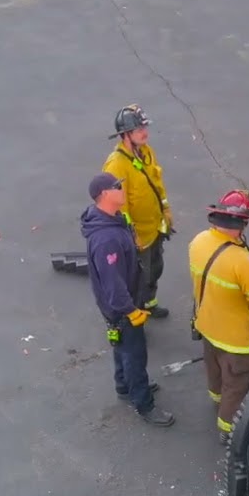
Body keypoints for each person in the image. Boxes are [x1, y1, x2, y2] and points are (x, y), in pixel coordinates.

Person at [80, 173, 174, 427]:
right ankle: (143, 403)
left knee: (121, 346)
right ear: (105, 195)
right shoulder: (106, 239)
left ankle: (124, 386)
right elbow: (113, 282)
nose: (123, 189)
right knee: (134, 353)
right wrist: (129, 310)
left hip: (124, 303)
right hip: (122, 307)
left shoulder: (112, 221)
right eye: (118, 187)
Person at [188, 190, 249, 436]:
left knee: (214, 369)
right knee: (237, 384)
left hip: (207, 325)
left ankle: (216, 398)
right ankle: (230, 430)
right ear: (243, 223)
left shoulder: (198, 242)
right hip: (236, 340)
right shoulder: (241, 260)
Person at [102, 104, 174, 318]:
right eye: (138, 129)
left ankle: (149, 303)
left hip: (153, 229)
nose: (145, 132)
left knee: (155, 269)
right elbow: (117, 207)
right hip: (137, 238)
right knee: (137, 278)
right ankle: (136, 313)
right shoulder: (116, 166)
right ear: (125, 135)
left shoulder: (145, 151)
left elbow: (157, 183)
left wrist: (166, 209)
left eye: (144, 127)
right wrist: (130, 236)